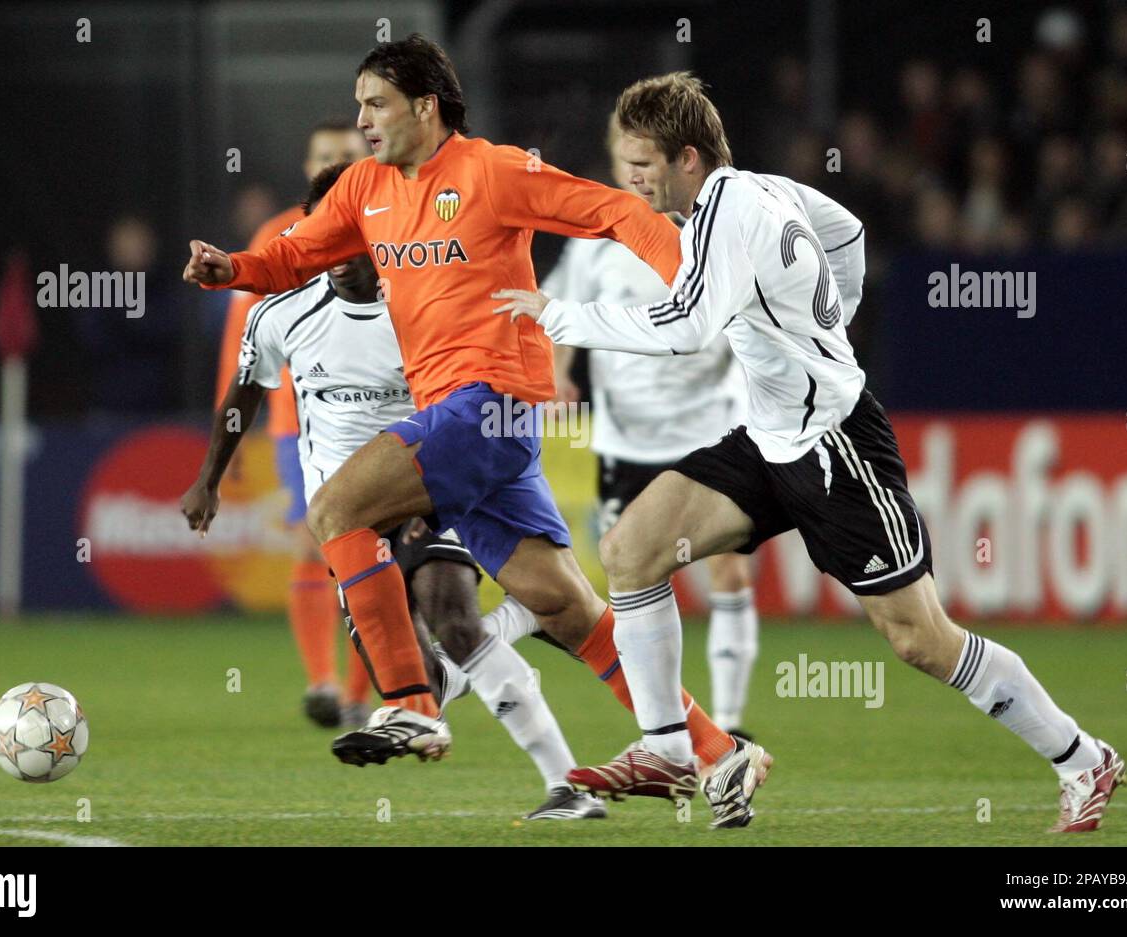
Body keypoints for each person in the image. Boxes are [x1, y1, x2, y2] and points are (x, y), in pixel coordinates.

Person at [498, 72, 1125, 834]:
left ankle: (1082, 756)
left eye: (642, 163)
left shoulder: (729, 215)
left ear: (688, 157)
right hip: (769, 435)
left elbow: (688, 327)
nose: (629, 178)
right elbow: (849, 236)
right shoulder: (763, 191)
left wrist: (560, 316)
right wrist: (829, 318)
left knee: (920, 638)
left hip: (833, 445)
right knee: (631, 548)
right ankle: (668, 746)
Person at [184, 34, 762, 829]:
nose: (363, 120)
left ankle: (412, 701)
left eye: (376, 104)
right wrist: (235, 269)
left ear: (426, 106)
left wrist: (694, 278)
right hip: (479, 428)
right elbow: (296, 256)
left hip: (485, 403)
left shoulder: (493, 171)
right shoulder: (363, 188)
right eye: (359, 106)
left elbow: (612, 211)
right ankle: (719, 751)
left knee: (334, 513)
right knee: (567, 609)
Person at [184, 162, 605, 820]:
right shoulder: (280, 314)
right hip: (347, 523)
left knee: (456, 620)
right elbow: (244, 392)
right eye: (334, 231)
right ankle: (521, 621)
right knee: (421, 676)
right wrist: (208, 480)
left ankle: (567, 786)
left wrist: (434, 499)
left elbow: (470, 405)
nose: (349, 246)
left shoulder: (421, 309)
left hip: (420, 490)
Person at [543, 113, 762, 738]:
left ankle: (731, 722)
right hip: (625, 437)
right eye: (624, 164)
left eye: (644, 164)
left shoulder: (709, 234)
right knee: (630, 576)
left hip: (710, 429)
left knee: (728, 569)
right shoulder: (593, 244)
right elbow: (559, 312)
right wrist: (558, 374)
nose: (634, 177)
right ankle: (663, 727)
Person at [214, 120, 372, 728]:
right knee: (317, 546)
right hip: (295, 424)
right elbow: (241, 345)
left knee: (369, 552)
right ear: (308, 165)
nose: (334, 163)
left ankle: (362, 692)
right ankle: (324, 684)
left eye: (347, 155)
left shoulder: (390, 223)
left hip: (378, 416)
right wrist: (224, 436)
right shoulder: (276, 234)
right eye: (324, 155)